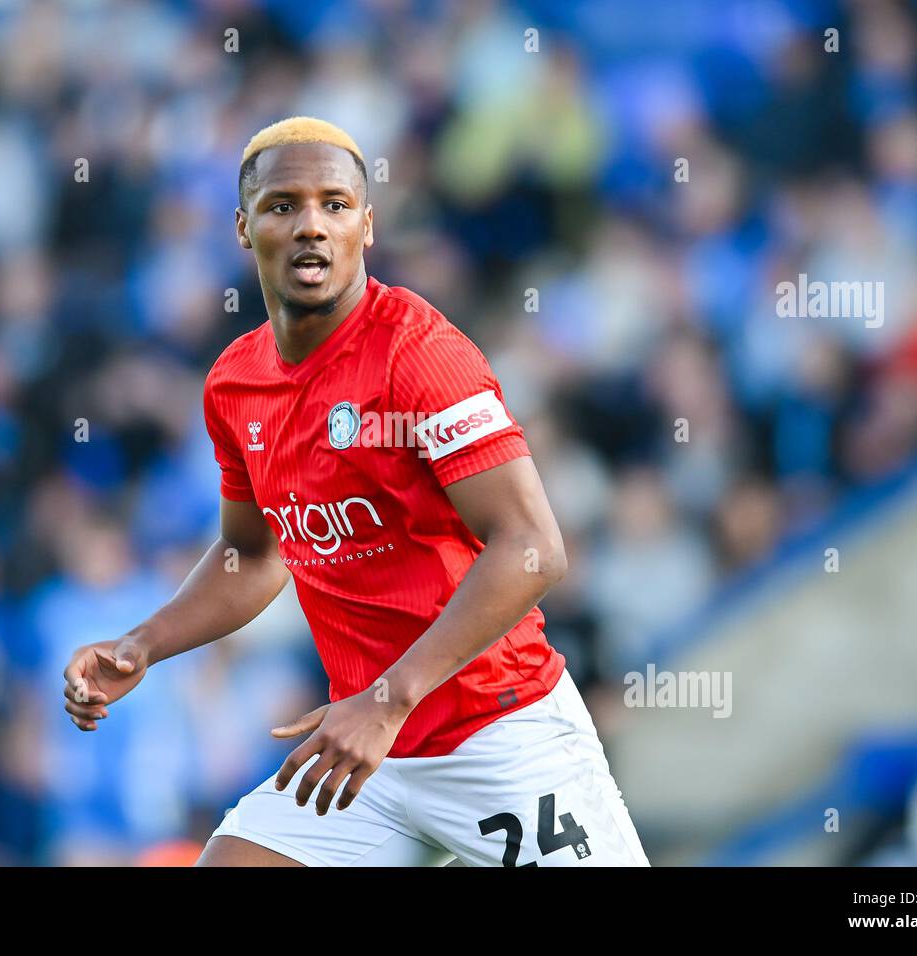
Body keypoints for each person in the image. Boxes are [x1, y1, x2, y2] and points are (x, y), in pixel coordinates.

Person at [62, 117, 648, 867]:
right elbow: (254, 554)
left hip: (497, 731)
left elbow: (533, 547)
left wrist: (386, 699)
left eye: (335, 205)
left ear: (366, 226)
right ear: (243, 228)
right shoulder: (235, 384)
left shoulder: (420, 354)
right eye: (282, 205)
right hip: (366, 751)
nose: (311, 225)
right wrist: (143, 643)